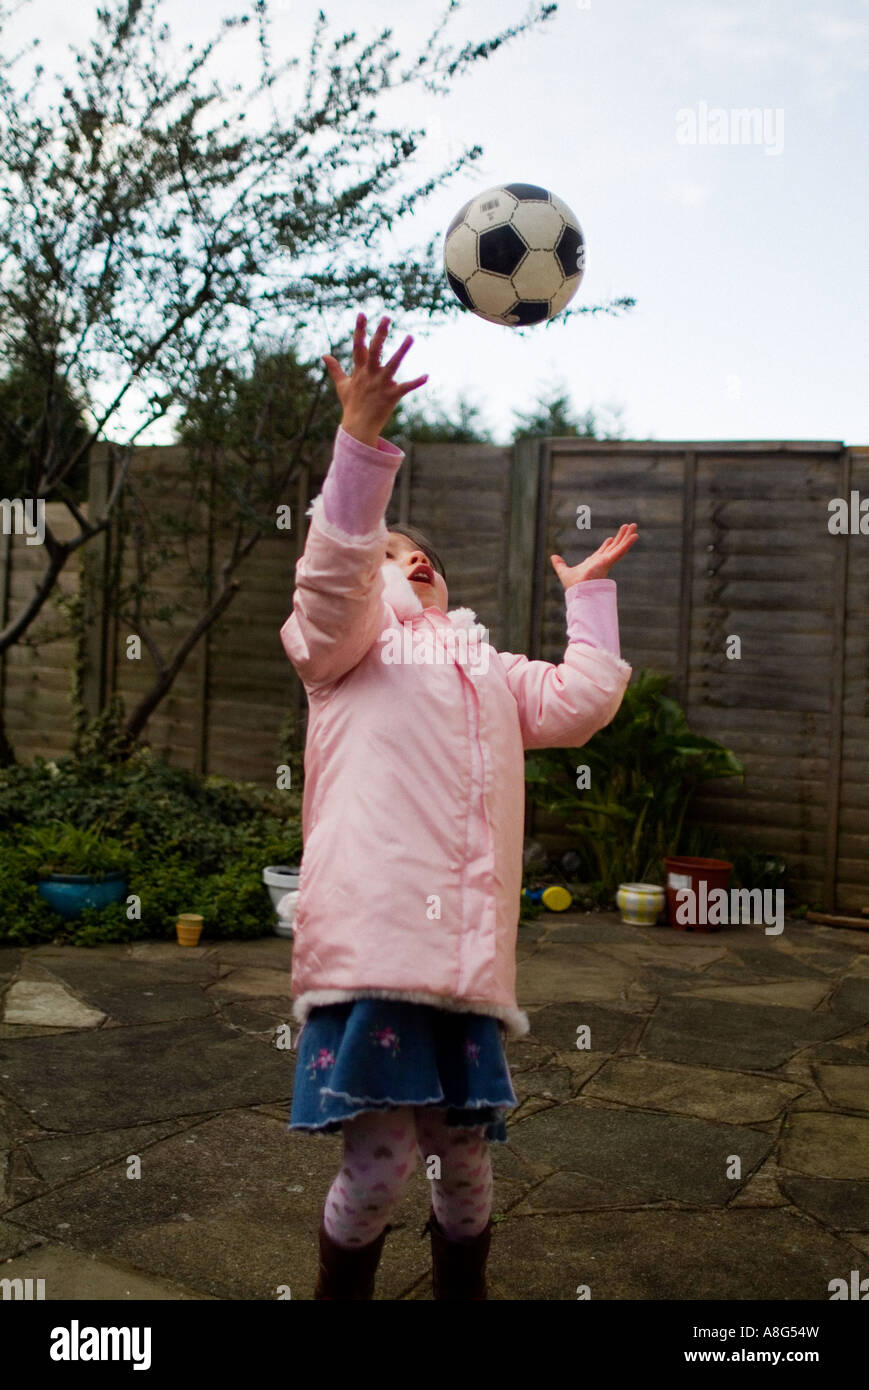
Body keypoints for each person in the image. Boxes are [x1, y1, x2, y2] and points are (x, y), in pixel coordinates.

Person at [280, 312, 638, 1300]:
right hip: (373, 952)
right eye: (393, 551)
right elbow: (328, 574)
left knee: (466, 1168)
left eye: (422, 553)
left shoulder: (484, 668)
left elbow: (579, 704)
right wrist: (359, 446)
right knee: (381, 1164)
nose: (413, 557)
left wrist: (588, 601)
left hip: (465, 968)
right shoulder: (340, 651)